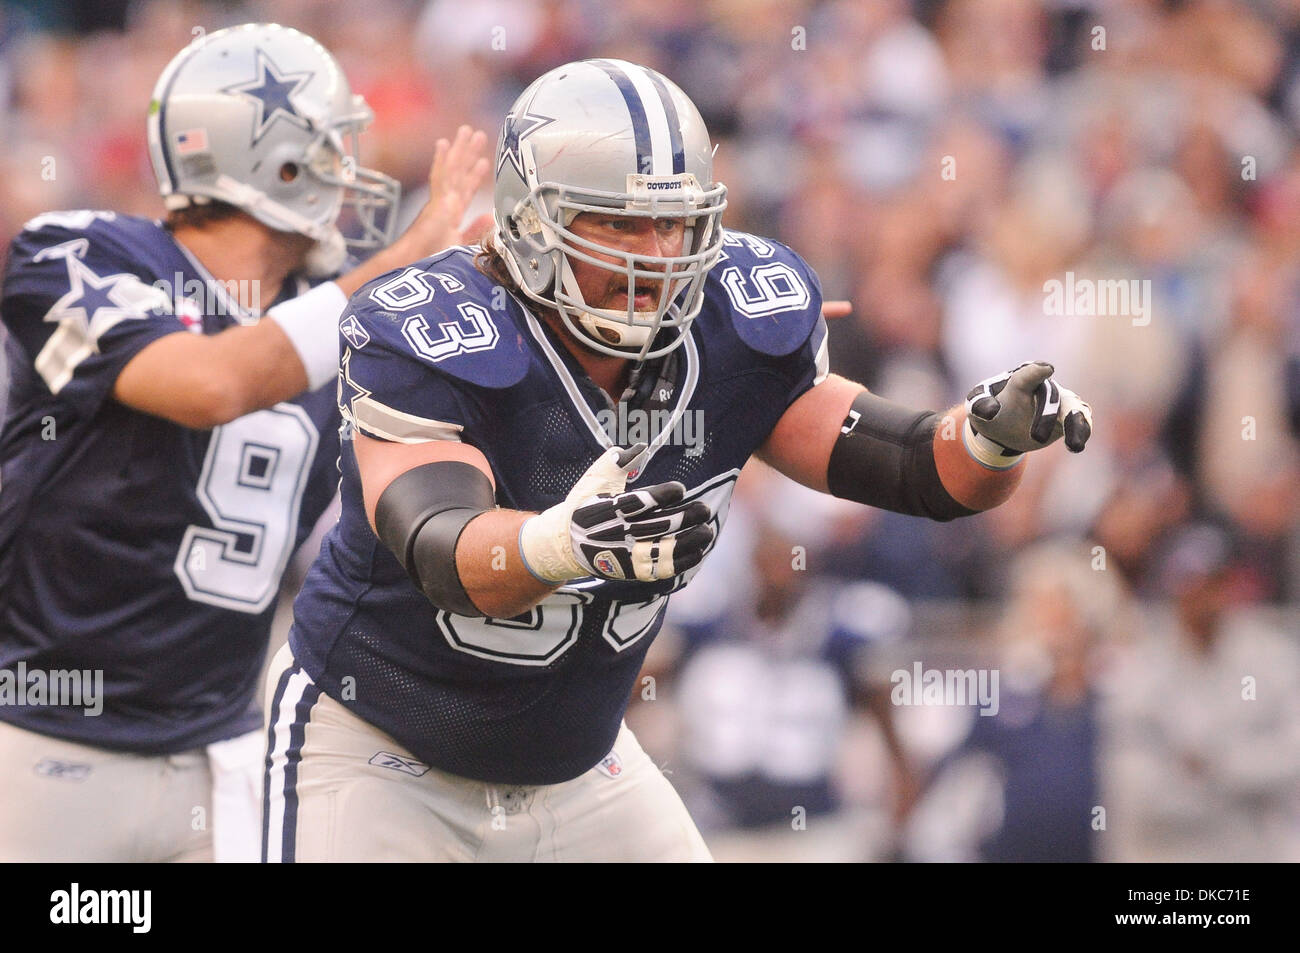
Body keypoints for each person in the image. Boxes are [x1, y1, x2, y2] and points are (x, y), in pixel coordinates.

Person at [263, 57, 1093, 862]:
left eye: (674, 220)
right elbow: (442, 545)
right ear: (529, 220)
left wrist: (991, 440)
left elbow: (917, 467)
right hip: (381, 747)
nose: (657, 253)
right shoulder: (436, 328)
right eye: (618, 221)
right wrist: (563, 545)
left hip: (575, 769)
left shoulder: (734, 320)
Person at [0, 22, 487, 862]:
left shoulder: (339, 312)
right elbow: (210, 384)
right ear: (277, 163)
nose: (351, 175)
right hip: (44, 742)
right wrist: (399, 265)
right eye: (331, 152)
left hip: (218, 752)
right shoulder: (83, 252)